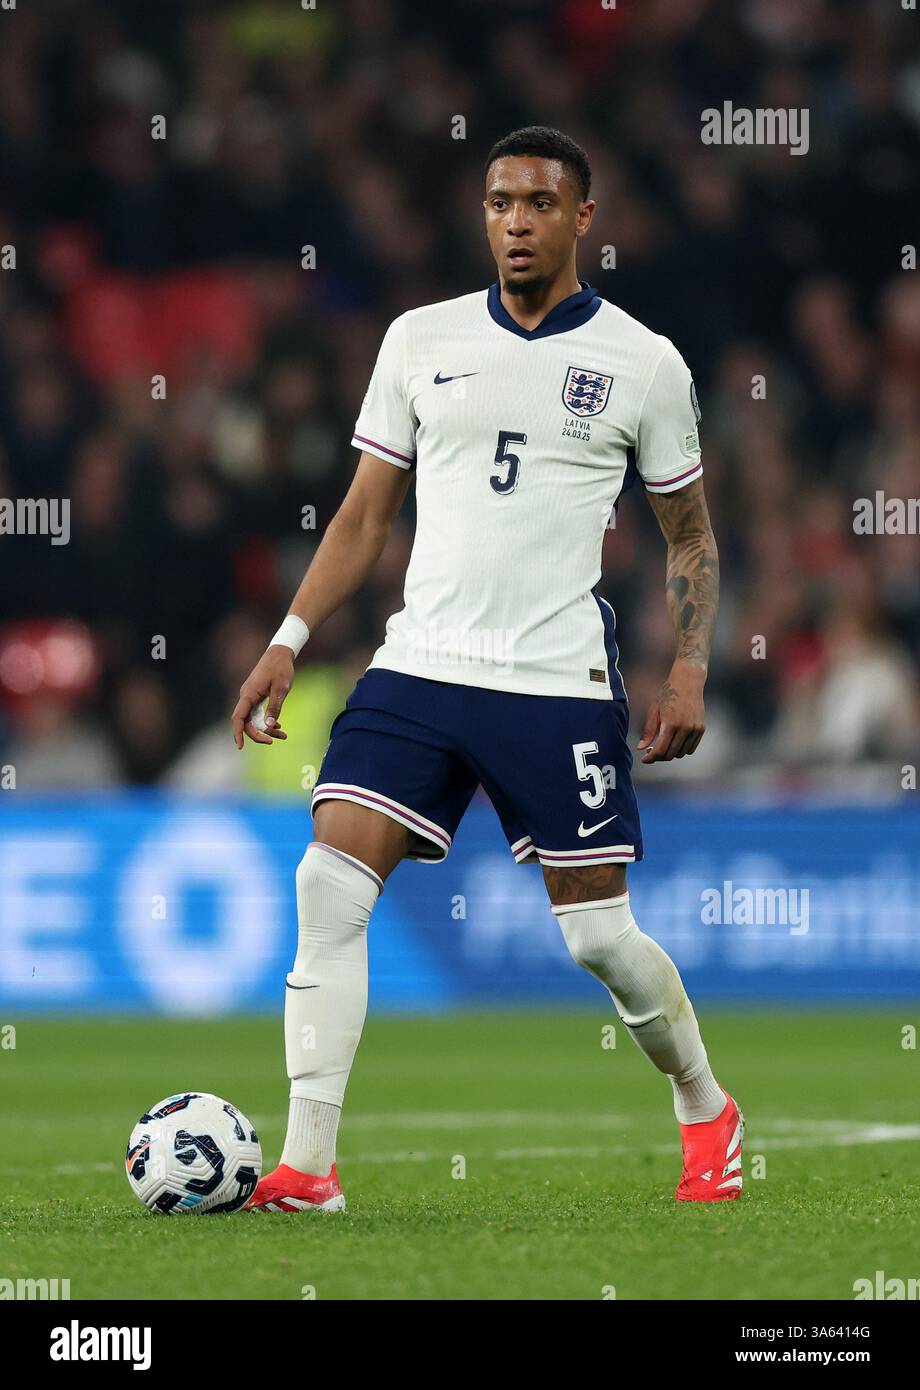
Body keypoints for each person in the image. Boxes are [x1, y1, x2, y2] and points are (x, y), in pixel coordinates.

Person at [232, 126, 742, 1213]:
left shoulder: (642, 362)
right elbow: (364, 515)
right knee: (327, 883)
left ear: (580, 220)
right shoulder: (418, 339)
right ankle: (307, 1166)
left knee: (597, 934)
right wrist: (286, 636)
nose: (515, 220)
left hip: (555, 679)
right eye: (499, 202)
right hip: (420, 663)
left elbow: (688, 535)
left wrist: (689, 664)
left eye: (539, 204)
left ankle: (703, 1103)